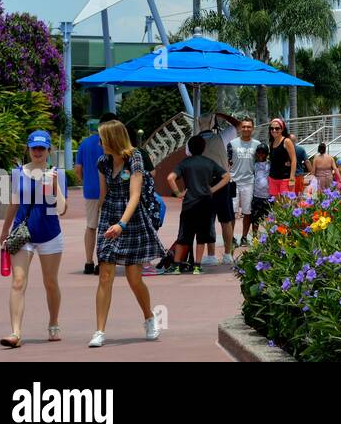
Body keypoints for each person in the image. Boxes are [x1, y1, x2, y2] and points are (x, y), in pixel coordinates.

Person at [92, 119, 164, 347]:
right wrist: (98, 222)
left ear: (112, 138)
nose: (100, 142)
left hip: (131, 219)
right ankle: (100, 331)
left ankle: (149, 317)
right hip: (109, 216)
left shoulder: (135, 158)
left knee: (134, 278)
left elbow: (134, 195)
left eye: (102, 138)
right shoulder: (102, 162)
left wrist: (121, 224)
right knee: (105, 274)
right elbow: (103, 194)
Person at [0, 130, 66, 347]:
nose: (37, 152)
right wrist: (4, 231)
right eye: (34, 147)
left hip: (49, 234)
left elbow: (62, 210)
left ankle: (53, 323)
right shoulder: (18, 172)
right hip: (22, 234)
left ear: (49, 150)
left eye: (42, 148)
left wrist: (54, 185)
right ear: (28, 148)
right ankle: (15, 332)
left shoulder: (56, 173)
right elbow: (14, 203)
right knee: (18, 281)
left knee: (50, 282)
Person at [167, 135, 230, 275]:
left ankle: (177, 266)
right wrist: (213, 189)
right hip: (205, 203)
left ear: (189, 148)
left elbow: (170, 178)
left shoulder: (185, 163)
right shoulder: (209, 162)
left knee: (184, 236)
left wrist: (178, 193)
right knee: (201, 237)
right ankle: (197, 266)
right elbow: (227, 176)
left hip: (189, 204)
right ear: (203, 148)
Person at [200, 125, 236, 266]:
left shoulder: (195, 140)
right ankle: (226, 254)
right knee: (224, 220)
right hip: (221, 183)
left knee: (210, 219)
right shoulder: (221, 137)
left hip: (205, 183)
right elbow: (236, 125)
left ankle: (212, 255)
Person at [73, 123, 105, 275]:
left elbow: (77, 169)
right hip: (108, 191)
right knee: (106, 227)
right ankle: (102, 261)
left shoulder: (84, 144)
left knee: (91, 226)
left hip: (90, 190)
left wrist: (85, 181)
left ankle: (88, 262)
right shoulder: (109, 141)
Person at [228, 118, 261, 247]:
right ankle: (230, 238)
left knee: (247, 212)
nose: (246, 129)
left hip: (249, 182)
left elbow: (261, 163)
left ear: (252, 128)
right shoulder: (232, 143)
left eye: (249, 127)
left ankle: (244, 237)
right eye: (244, 127)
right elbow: (227, 161)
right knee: (232, 212)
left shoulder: (257, 144)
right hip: (234, 182)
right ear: (240, 128)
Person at [267, 119, 296, 197]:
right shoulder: (271, 142)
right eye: (271, 128)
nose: (274, 130)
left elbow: (293, 160)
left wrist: (292, 179)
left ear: (282, 129)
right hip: (273, 179)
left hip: (285, 179)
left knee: (286, 206)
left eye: (277, 128)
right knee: (276, 206)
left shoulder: (286, 141)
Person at [250, 144, 272, 232]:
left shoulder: (270, 165)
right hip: (257, 196)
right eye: (259, 152)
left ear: (267, 154)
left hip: (268, 197)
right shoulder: (254, 165)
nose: (261, 154)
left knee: (270, 220)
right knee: (255, 219)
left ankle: (270, 237)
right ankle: (255, 238)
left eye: (263, 153)